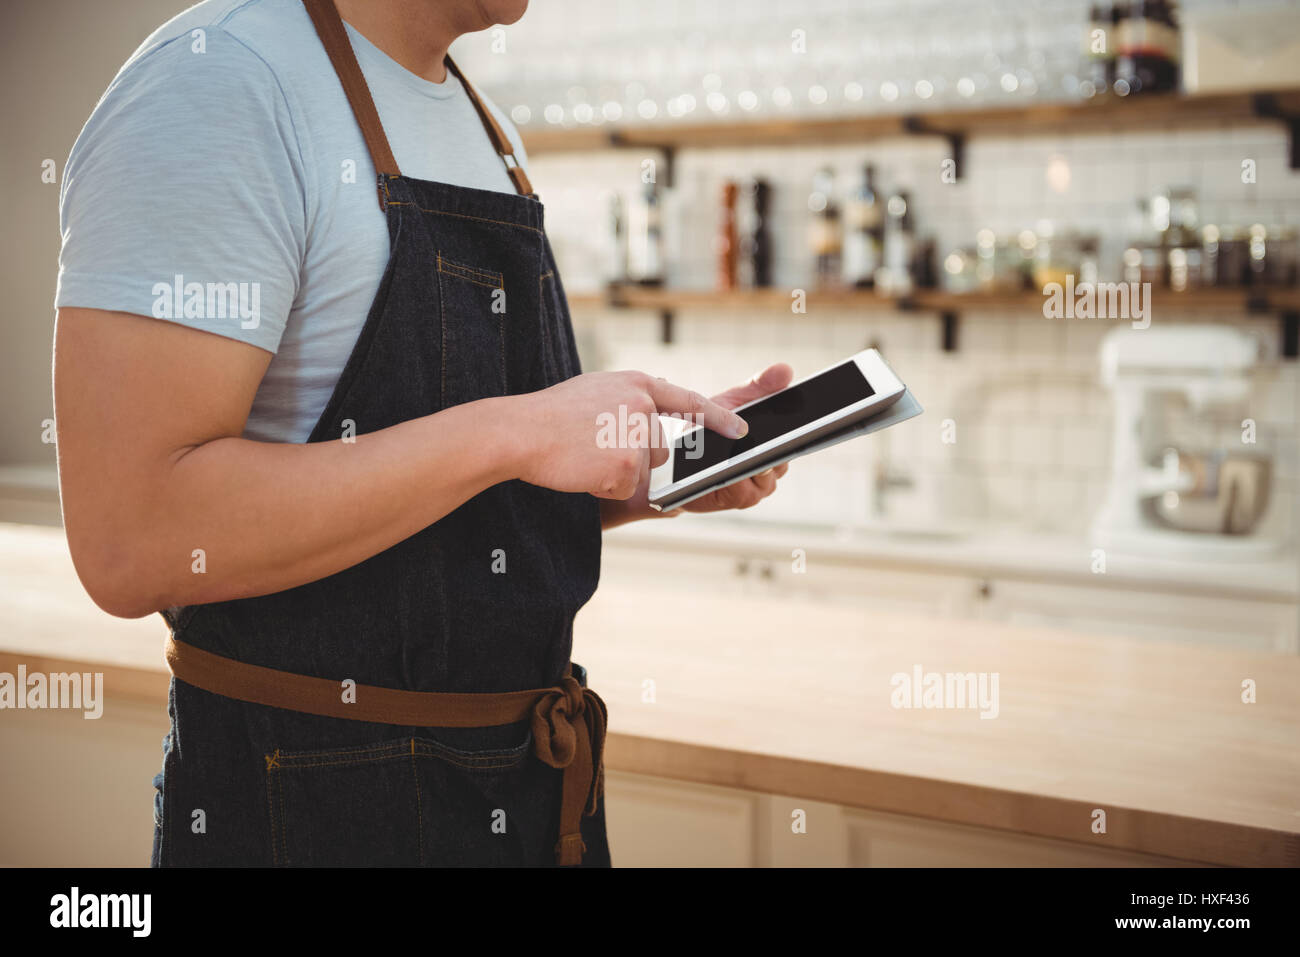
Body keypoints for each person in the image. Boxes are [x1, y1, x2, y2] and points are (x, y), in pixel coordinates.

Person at [53, 0, 791, 866]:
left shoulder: (486, 125)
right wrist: (513, 431)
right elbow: (131, 536)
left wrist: (644, 474)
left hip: (528, 797)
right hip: (315, 805)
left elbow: (449, 497)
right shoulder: (219, 83)